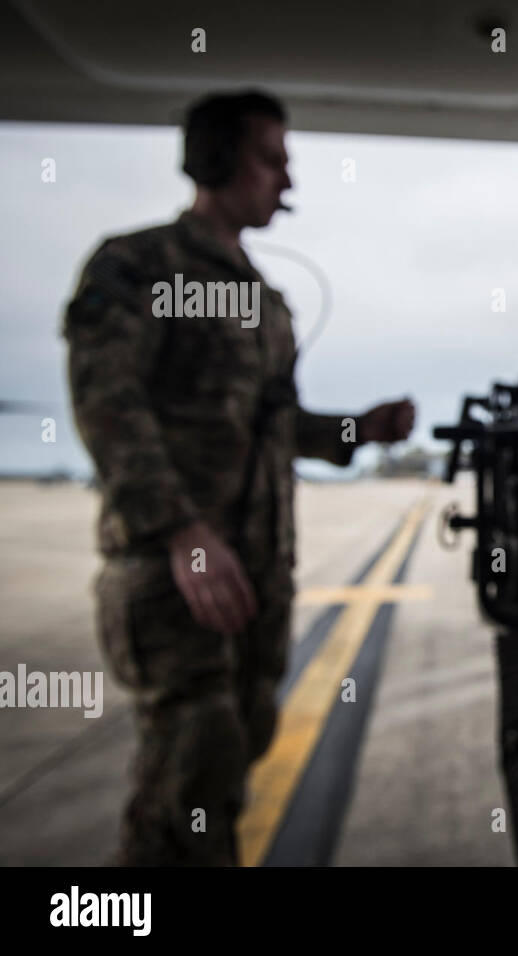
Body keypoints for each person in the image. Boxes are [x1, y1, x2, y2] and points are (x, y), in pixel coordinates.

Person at [62, 90, 415, 865]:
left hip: (253, 577)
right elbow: (106, 403)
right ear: (217, 159)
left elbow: (279, 426)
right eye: (271, 160)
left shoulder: (269, 302)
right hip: (179, 573)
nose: (286, 183)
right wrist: (180, 533)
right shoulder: (139, 265)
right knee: (190, 774)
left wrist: (363, 426)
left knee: (232, 759)